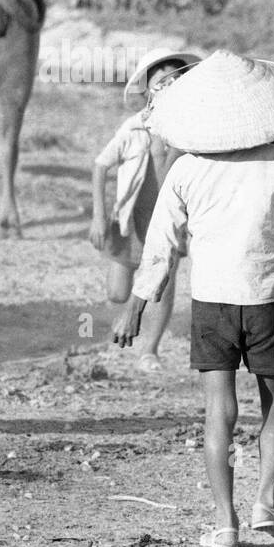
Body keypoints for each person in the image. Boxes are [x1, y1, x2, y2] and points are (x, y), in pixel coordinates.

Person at [111, 50, 274, 547]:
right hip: (268, 299)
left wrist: (137, 305)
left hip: (212, 303)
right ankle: (265, 501)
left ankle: (225, 522)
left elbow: (161, 244)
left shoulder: (186, 169)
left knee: (218, 412)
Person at [89, 49, 200, 369]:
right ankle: (124, 312)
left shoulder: (194, 132)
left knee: (163, 283)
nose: (168, 86)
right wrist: (99, 215)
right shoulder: (134, 128)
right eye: (160, 81)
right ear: (147, 88)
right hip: (132, 222)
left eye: (176, 80)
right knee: (118, 293)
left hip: (172, 222)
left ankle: (149, 350)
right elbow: (100, 166)